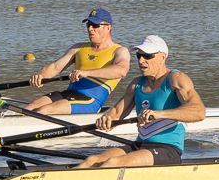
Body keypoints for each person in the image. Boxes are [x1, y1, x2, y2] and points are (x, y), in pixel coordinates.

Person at [76, 35, 205, 168]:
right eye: (139, 56)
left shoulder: (176, 79)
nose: (141, 61)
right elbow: (116, 113)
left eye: (147, 56)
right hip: (140, 146)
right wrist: (106, 119)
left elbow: (199, 112)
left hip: (168, 150)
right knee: (91, 160)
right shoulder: (136, 84)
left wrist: (159, 114)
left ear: (162, 57)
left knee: (113, 163)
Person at [26, 7, 130, 116]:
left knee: (43, 111)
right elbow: (55, 67)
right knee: (30, 108)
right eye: (88, 25)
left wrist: (87, 73)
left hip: (90, 100)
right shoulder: (78, 48)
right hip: (68, 94)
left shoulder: (119, 51)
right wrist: (40, 76)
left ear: (108, 27)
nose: (90, 29)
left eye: (95, 25)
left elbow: (121, 70)